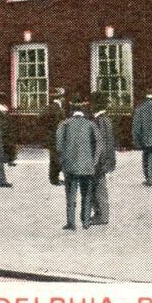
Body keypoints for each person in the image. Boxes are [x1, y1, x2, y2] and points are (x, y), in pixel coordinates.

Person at [55, 98, 99, 230]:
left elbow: (59, 146)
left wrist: (63, 161)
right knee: (86, 195)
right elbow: (98, 145)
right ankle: (85, 222)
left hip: (70, 167)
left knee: (71, 196)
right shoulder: (91, 125)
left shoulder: (64, 124)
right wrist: (93, 162)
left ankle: (71, 223)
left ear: (72, 110)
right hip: (87, 167)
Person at [91, 93, 118, 225]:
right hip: (104, 160)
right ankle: (100, 214)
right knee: (98, 187)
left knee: (98, 188)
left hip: (99, 161)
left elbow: (100, 143)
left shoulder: (100, 121)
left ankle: (101, 216)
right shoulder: (105, 119)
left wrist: (97, 162)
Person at [43, 88, 69, 186]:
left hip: (51, 137)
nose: (64, 99)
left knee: (53, 158)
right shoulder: (58, 109)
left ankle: (54, 179)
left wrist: (48, 129)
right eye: (63, 97)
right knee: (58, 158)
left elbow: (40, 118)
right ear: (60, 98)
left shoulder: (49, 107)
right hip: (57, 137)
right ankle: (62, 177)